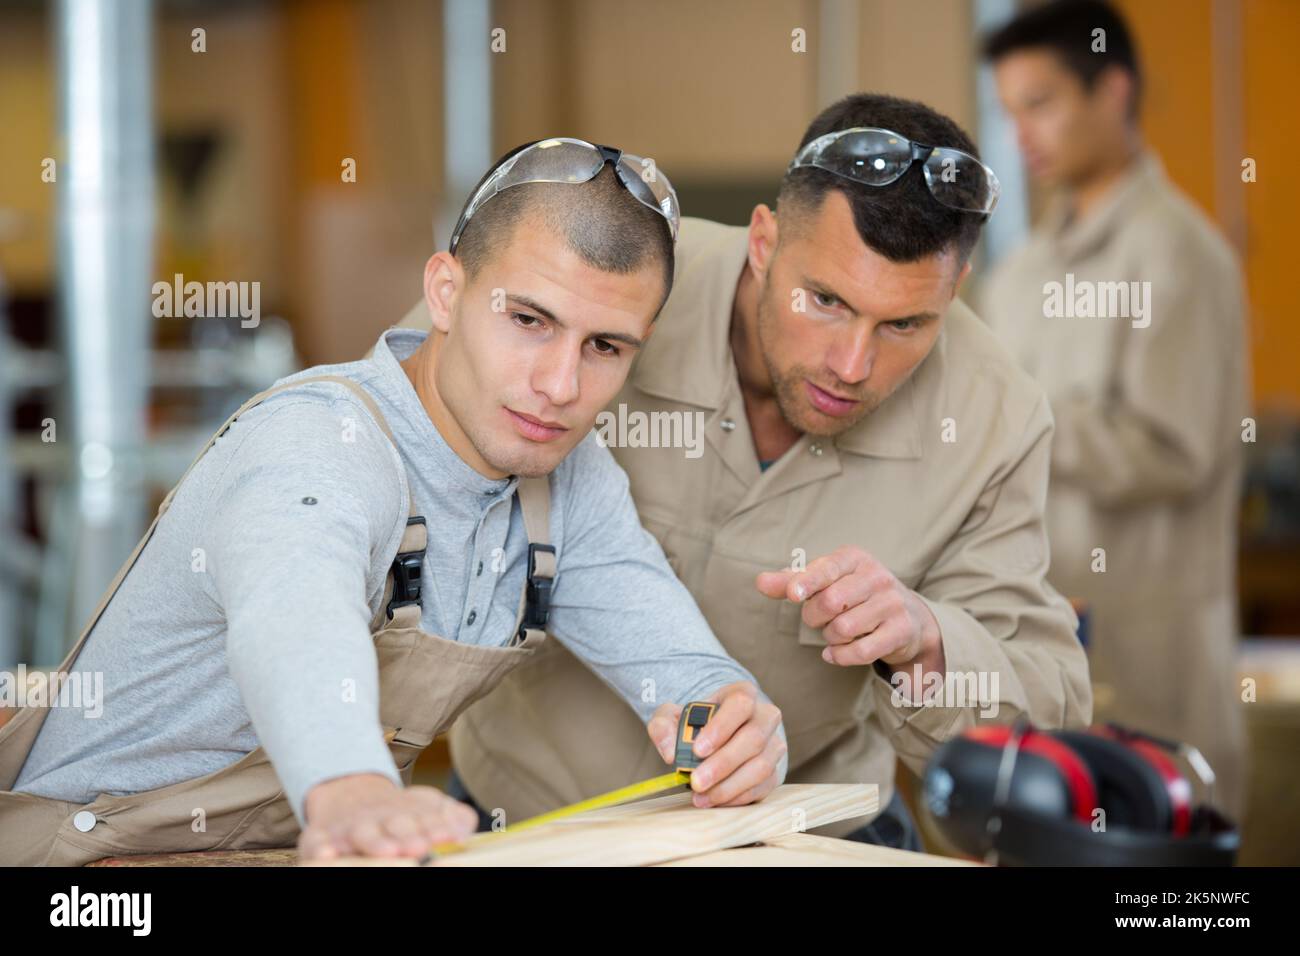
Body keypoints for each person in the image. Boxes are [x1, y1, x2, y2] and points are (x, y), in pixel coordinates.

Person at [0, 138, 787, 866]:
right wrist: (350, 786)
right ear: (445, 292)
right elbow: (293, 617)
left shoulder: (570, 478)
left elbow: (686, 675)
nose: (561, 387)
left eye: (605, 346)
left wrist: (738, 727)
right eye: (527, 320)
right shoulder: (319, 443)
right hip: (88, 869)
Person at [396, 95, 1092, 850]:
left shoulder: (997, 417)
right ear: (763, 242)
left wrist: (927, 642)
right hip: (524, 818)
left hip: (803, 841)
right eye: (824, 300)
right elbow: (405, 409)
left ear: (951, 297)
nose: (852, 366)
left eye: (904, 325)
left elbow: (1050, 714)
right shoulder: (611, 278)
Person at [982, 0, 1249, 819]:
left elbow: (1176, 452)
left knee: (1161, 881)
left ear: (1114, 92)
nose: (1022, 133)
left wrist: (1021, 420)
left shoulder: (1180, 254)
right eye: (1009, 111)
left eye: (1042, 103)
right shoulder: (1017, 273)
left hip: (1151, 658)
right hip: (1040, 646)